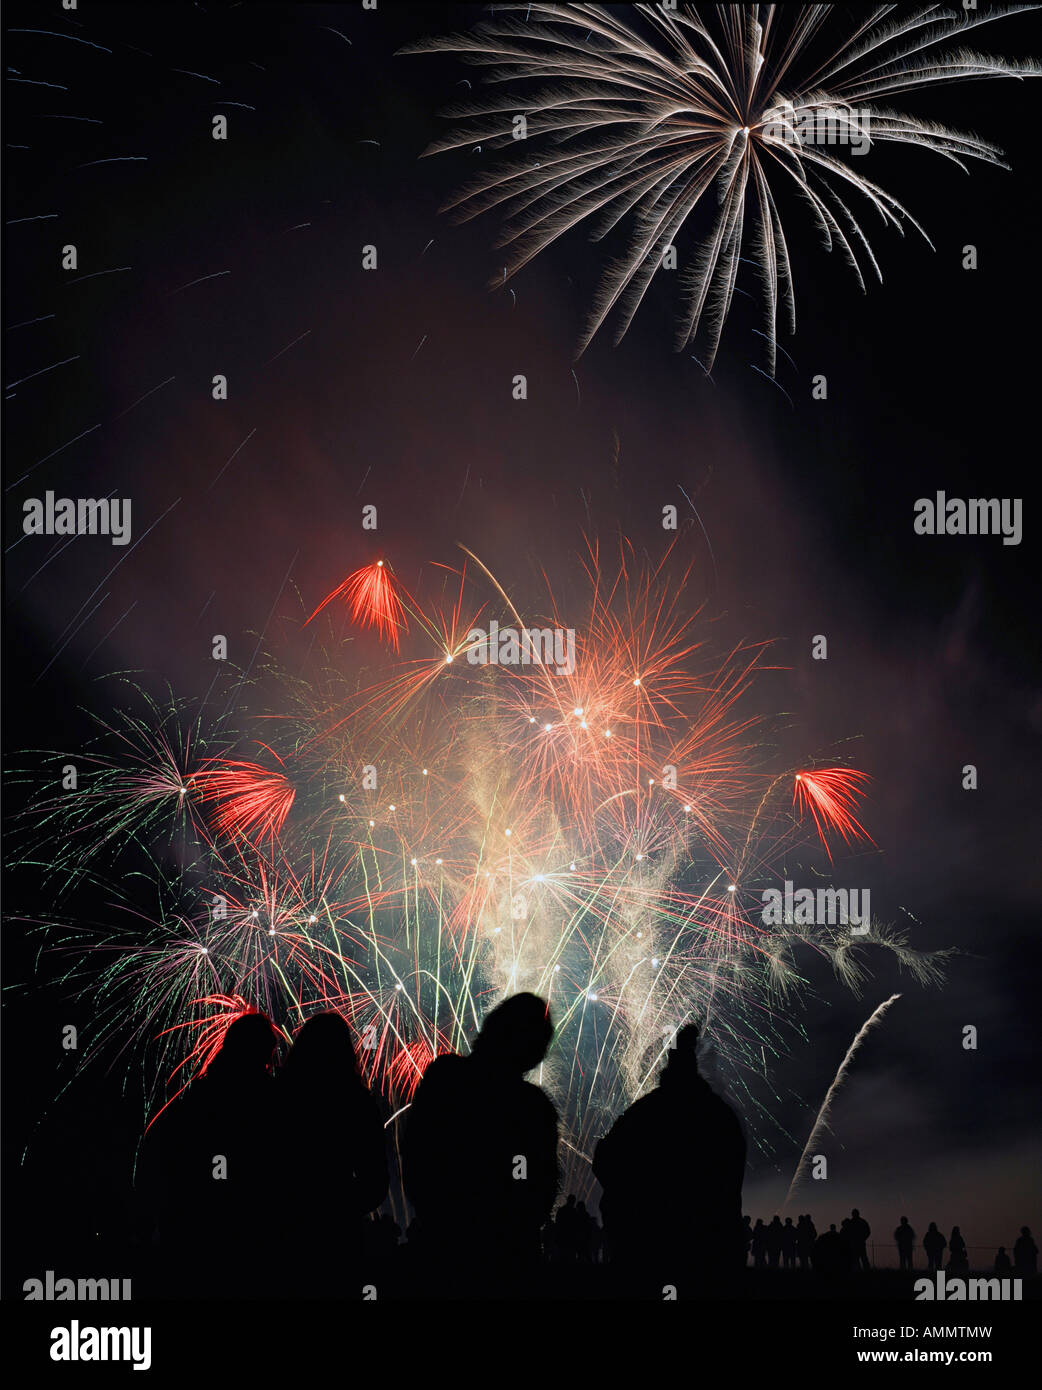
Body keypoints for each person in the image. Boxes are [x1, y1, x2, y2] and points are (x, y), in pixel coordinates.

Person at [404, 992, 559, 1295]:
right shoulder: (532, 1108)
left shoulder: (445, 1078)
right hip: (509, 1262)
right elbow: (540, 1190)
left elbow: (415, 1158)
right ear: (535, 1051)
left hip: (442, 1251)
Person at [593, 1024, 745, 1290]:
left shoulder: (644, 1113)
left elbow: (604, 1161)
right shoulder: (721, 1117)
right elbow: (731, 1179)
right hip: (710, 1257)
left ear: (667, 1065)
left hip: (645, 1253)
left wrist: (630, 1204)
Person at [142, 1011, 279, 1297]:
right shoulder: (271, 1102)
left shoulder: (198, 1095)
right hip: (250, 1237)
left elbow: (167, 1160)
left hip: (193, 1234)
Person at [277, 1012, 388, 1295]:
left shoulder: (275, 1098)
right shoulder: (357, 1103)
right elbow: (375, 1181)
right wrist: (340, 1206)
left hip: (279, 1237)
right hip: (339, 1239)